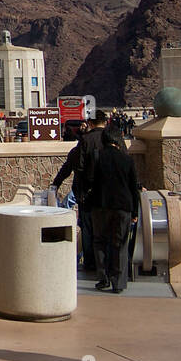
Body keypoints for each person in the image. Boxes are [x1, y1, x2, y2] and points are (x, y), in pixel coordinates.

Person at [85, 125, 141, 293]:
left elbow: (89, 181)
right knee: (120, 244)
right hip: (122, 207)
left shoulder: (96, 157)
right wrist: (135, 213)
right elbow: (133, 188)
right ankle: (118, 282)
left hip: (99, 205)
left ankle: (103, 278)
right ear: (118, 140)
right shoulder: (127, 160)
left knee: (99, 241)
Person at [52, 113, 106, 275]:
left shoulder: (85, 142)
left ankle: (91, 262)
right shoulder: (112, 139)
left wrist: (56, 184)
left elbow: (74, 166)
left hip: (87, 195)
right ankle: (105, 264)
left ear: (90, 123)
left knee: (88, 229)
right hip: (107, 195)